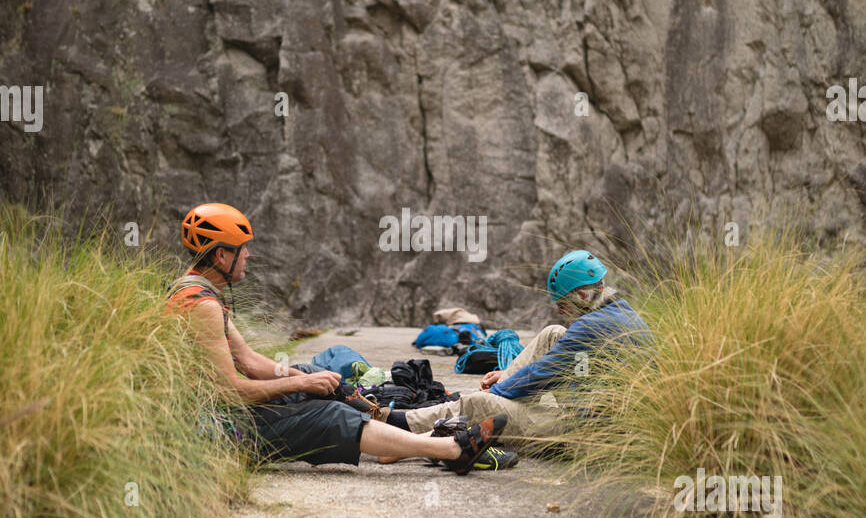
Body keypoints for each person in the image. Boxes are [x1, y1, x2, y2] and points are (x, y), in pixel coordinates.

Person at [166, 203, 506, 474]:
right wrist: (303, 385)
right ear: (221, 255)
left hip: (220, 413)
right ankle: (450, 449)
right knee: (328, 415)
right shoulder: (202, 306)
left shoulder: (200, 293)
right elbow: (231, 391)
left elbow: (251, 362)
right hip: (220, 431)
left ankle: (402, 441)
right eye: (243, 249)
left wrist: (305, 379)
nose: (248, 256)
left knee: (307, 375)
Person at [399, 249, 652, 449]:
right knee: (553, 333)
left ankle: (398, 422)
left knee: (477, 404)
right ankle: (500, 381)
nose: (562, 313)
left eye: (563, 306)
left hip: (583, 433)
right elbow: (558, 364)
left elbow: (540, 376)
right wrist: (507, 375)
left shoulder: (589, 327)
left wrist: (496, 393)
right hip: (591, 407)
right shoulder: (620, 312)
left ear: (583, 297)